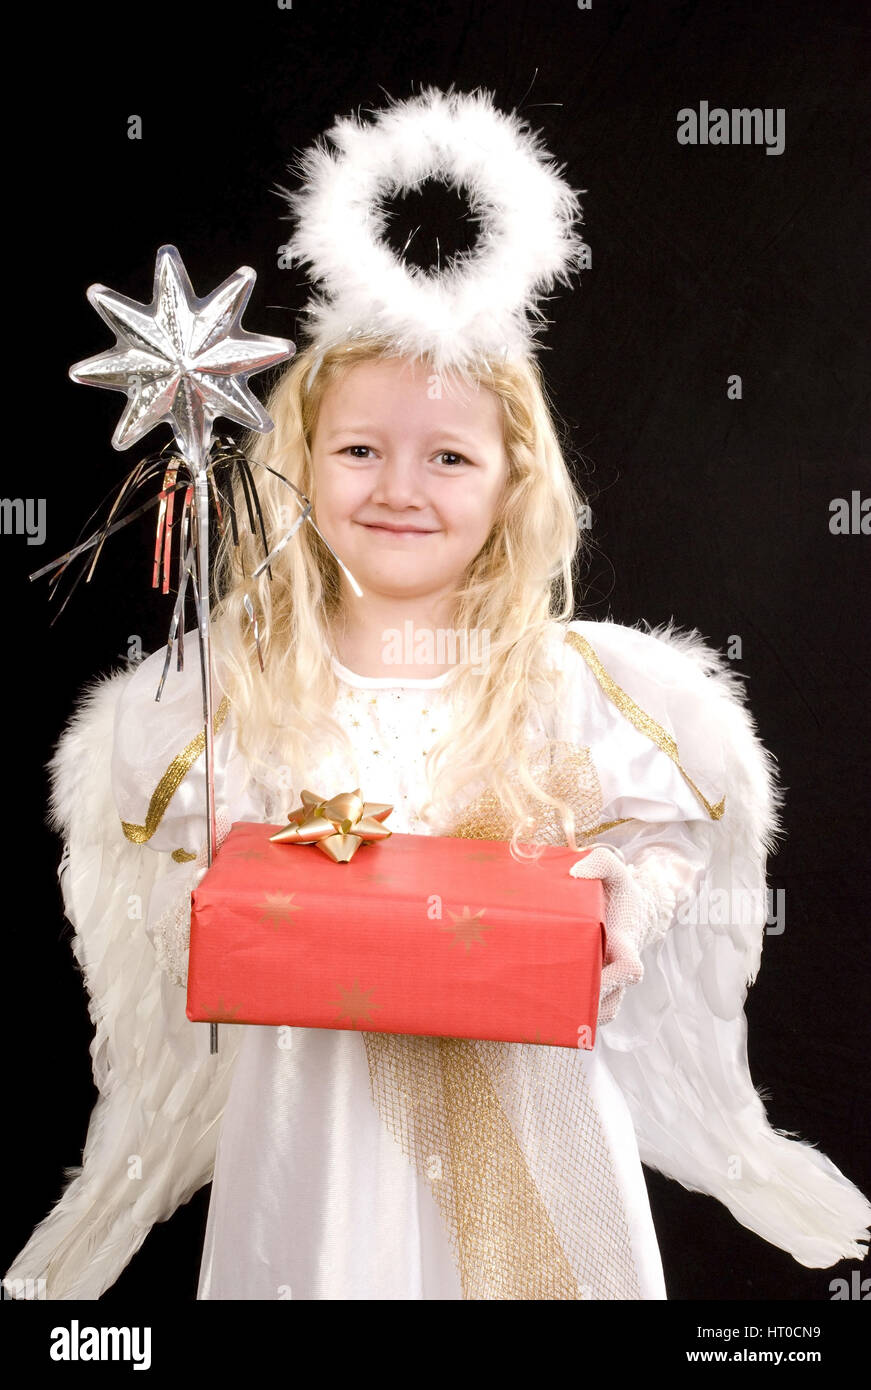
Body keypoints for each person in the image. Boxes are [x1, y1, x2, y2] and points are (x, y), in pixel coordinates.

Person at [5, 86, 869, 1301]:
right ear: (299, 463)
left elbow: (670, 837)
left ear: (515, 484)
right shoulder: (228, 691)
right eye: (359, 449)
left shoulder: (582, 688)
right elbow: (175, 883)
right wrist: (207, 880)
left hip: (525, 1113)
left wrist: (624, 898)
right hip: (313, 1126)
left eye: (449, 456)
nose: (398, 487)